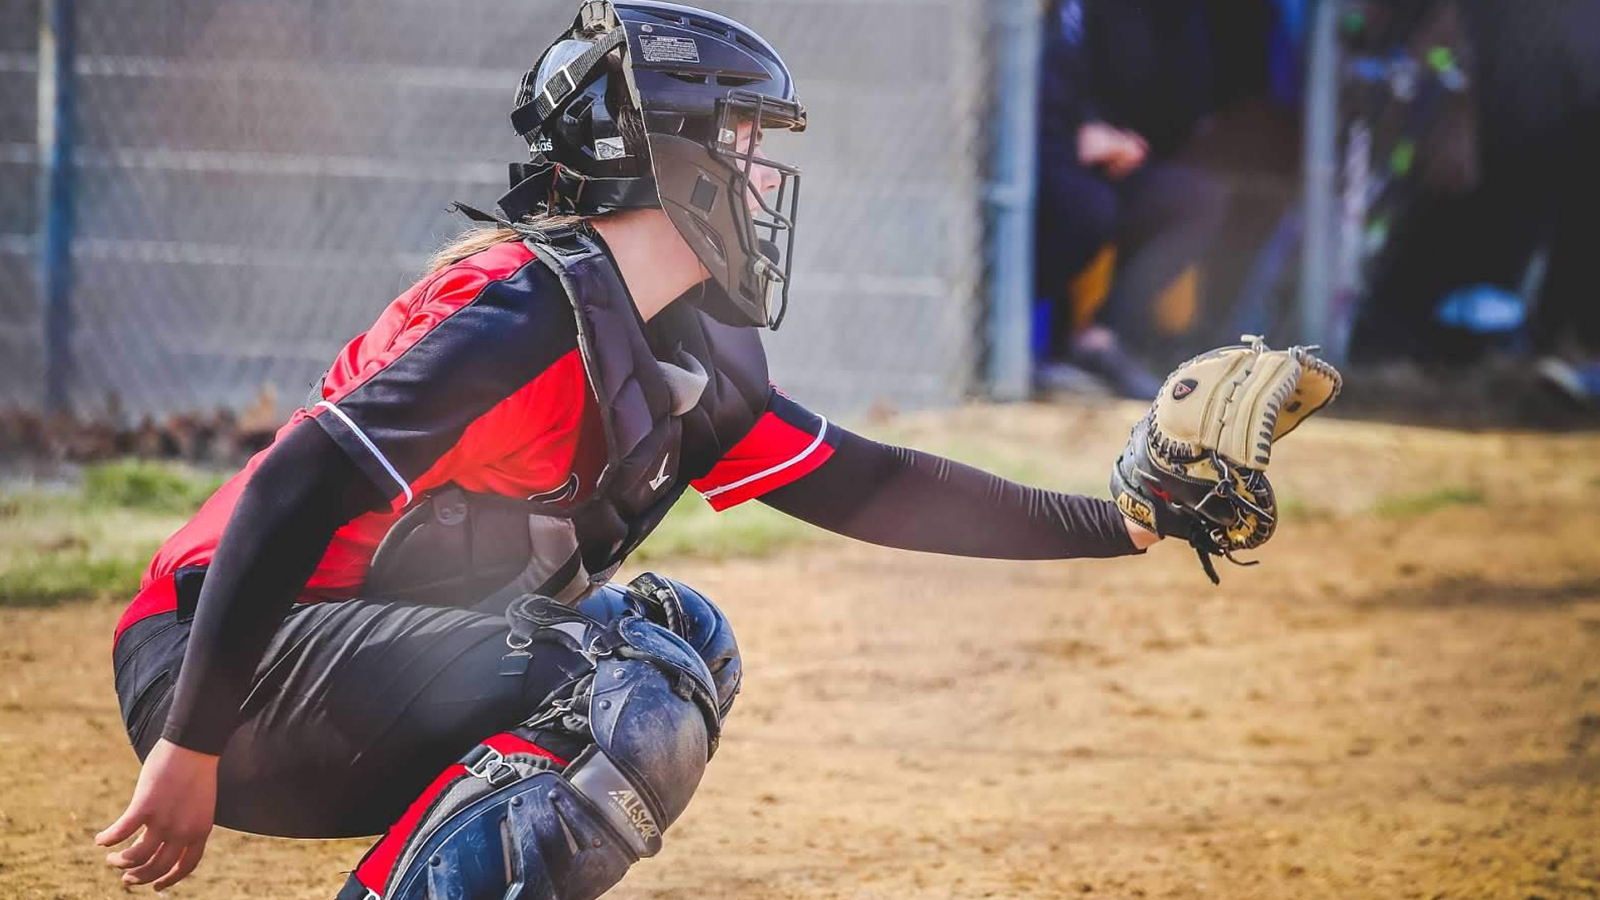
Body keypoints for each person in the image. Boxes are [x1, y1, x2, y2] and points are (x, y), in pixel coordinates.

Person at [95, 3, 1329, 898]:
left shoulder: (685, 351)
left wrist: (1126, 518)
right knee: (627, 681)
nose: (758, 176)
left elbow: (880, 487)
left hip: (328, 658)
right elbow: (295, 486)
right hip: (219, 659)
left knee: (686, 640)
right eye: (739, 144)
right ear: (660, 153)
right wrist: (191, 747)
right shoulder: (523, 309)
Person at [1035, 0, 1231, 399]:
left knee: (1193, 200)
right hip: (1036, 158)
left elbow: (1160, 91)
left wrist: (1112, 137)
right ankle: (1019, 345)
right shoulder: (1021, 16)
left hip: (1084, 153)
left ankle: (1099, 338)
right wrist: (1069, 138)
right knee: (1088, 209)